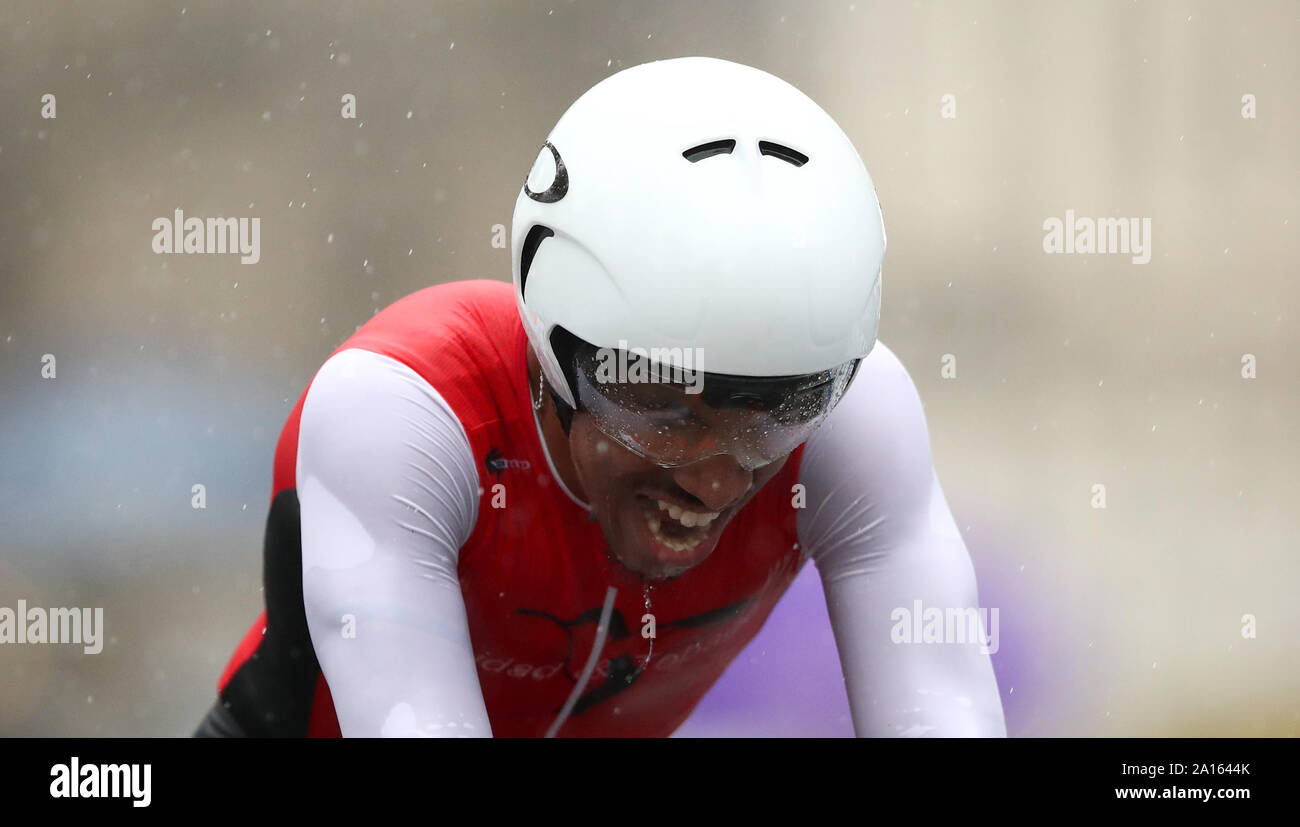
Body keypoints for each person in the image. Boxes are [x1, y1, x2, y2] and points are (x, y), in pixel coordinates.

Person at [195, 56, 1006, 738]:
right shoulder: (403, 409)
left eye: (775, 412)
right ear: (554, 351)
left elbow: (944, 712)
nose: (716, 481)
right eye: (661, 405)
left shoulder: (856, 418)